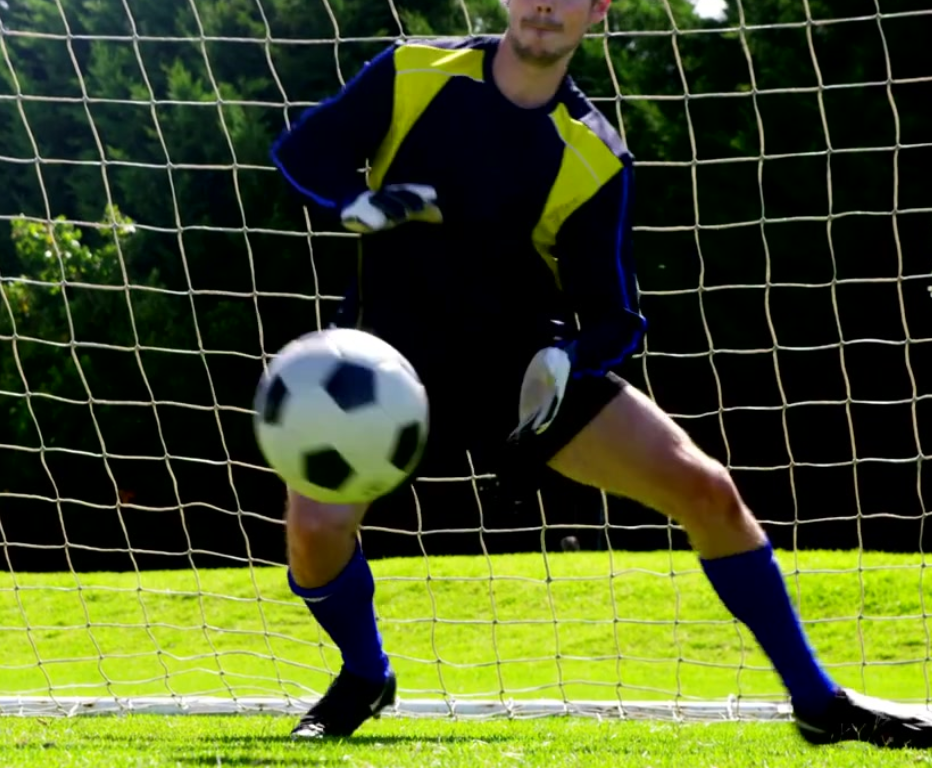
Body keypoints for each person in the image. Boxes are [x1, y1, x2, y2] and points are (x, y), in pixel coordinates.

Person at [268, 0, 932, 748]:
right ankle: (366, 675)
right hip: (385, 370)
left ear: (599, 10)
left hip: (523, 371)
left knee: (707, 490)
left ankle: (818, 703)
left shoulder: (596, 154)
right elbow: (300, 152)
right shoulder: (412, 70)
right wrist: (353, 201)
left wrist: (569, 360)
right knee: (314, 531)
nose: (545, 6)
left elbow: (616, 317)